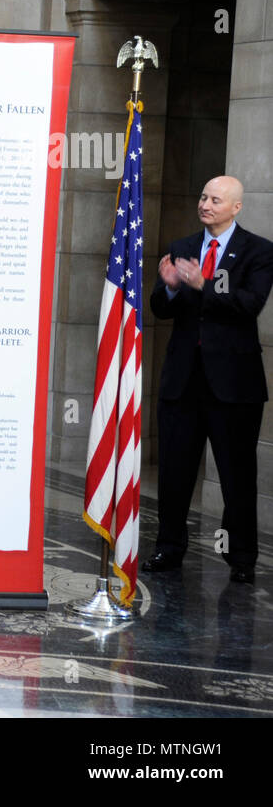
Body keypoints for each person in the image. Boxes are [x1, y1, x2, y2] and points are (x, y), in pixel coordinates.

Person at [144, 175, 273, 584]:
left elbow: (248, 305)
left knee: (237, 474)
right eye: (203, 196)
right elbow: (160, 309)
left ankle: (242, 559)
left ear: (235, 207)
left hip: (234, 384)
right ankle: (169, 548)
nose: (206, 204)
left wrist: (202, 285)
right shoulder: (181, 248)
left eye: (216, 199)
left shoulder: (258, 251)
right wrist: (168, 289)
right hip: (183, 380)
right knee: (175, 470)